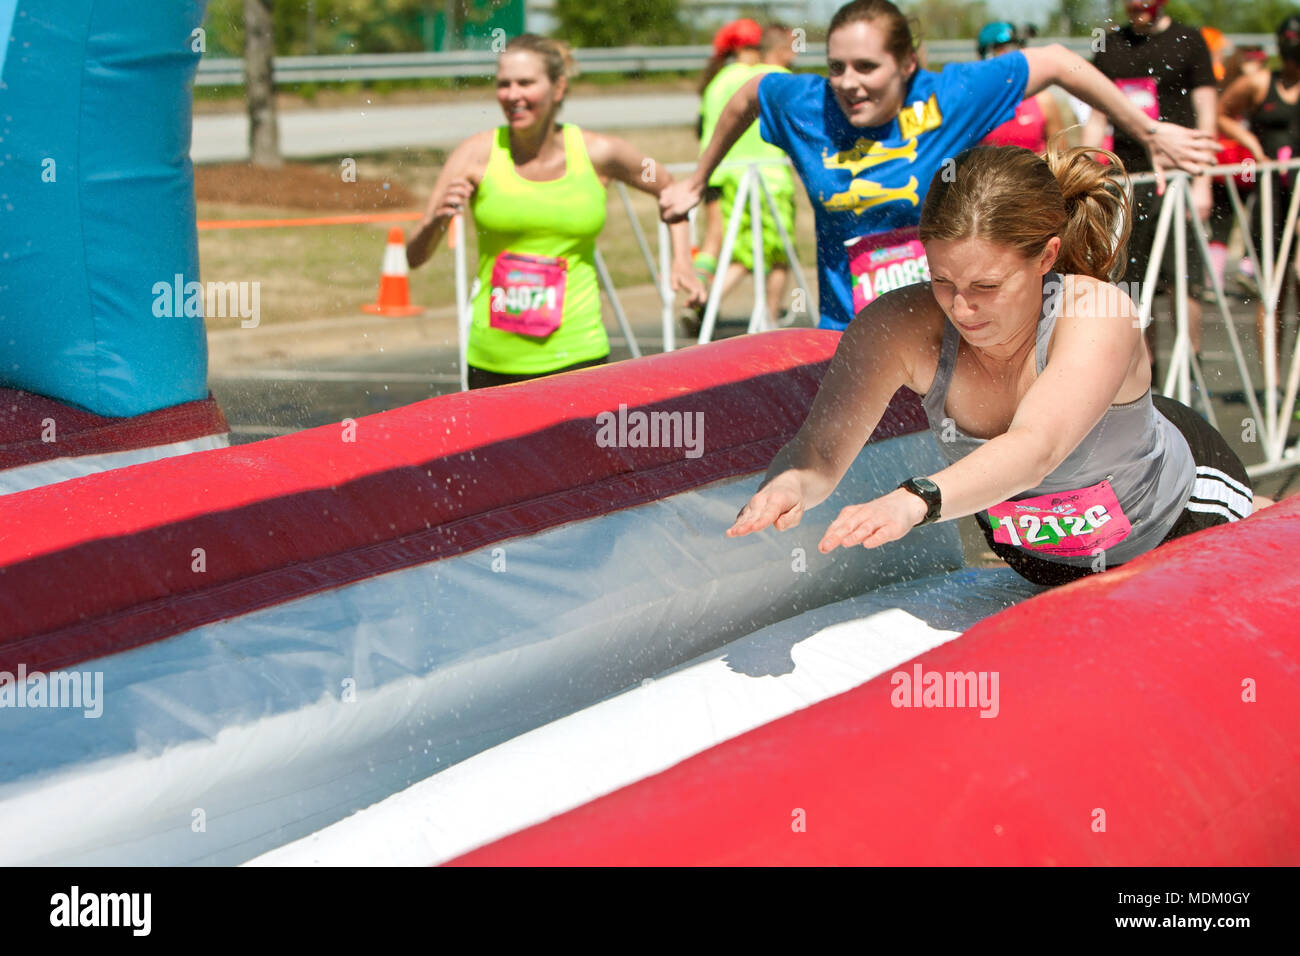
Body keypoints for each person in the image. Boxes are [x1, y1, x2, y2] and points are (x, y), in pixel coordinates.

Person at [725, 144, 1267, 586]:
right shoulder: (899, 328)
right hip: (1042, 560)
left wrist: (916, 500)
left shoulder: (1097, 310)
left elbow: (1036, 450)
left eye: (987, 286)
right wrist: (790, 484)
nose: (962, 308)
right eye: (942, 280)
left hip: (1181, 516)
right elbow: (819, 452)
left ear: (1046, 257)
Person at [660, 0, 1216, 333]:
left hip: (951, 326)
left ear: (906, 64)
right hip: (848, 331)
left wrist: (1145, 129)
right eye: (836, 67)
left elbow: (1058, 62)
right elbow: (746, 96)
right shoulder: (807, 103)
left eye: (867, 67)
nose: (849, 83)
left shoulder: (947, 97)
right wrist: (697, 177)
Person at [407, 35, 705, 389]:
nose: (512, 95)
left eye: (525, 83)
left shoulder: (600, 152)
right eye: (504, 84)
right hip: (494, 362)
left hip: (579, 356)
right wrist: (437, 221)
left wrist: (682, 260)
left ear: (558, 87)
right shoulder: (475, 154)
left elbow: (670, 189)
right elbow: (414, 257)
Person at [1082, 0, 1218, 386]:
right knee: (1132, 282)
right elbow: (1096, 119)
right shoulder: (1110, 45)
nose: (1137, 12)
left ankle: (1189, 371)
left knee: (1184, 279)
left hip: (1180, 176)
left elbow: (1206, 111)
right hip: (1130, 180)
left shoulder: (1189, 40)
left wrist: (1203, 179)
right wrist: (1089, 176)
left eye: (1145, 5)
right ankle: (1147, 379)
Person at [686, 21, 799, 337]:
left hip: (716, 172)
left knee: (716, 241)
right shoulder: (765, 78)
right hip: (761, 175)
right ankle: (762, 318)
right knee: (772, 253)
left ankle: (699, 294)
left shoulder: (717, 81)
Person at [1218, 16, 1300, 389]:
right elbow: (1222, 112)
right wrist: (1253, 147)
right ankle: (1273, 385)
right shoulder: (1259, 83)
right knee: (1272, 289)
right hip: (1271, 199)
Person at [977, 22, 1068, 154]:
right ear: (987, 54)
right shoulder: (975, 104)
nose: (1013, 55)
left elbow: (1061, 157)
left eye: (1017, 47)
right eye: (1002, 48)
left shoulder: (1043, 101)